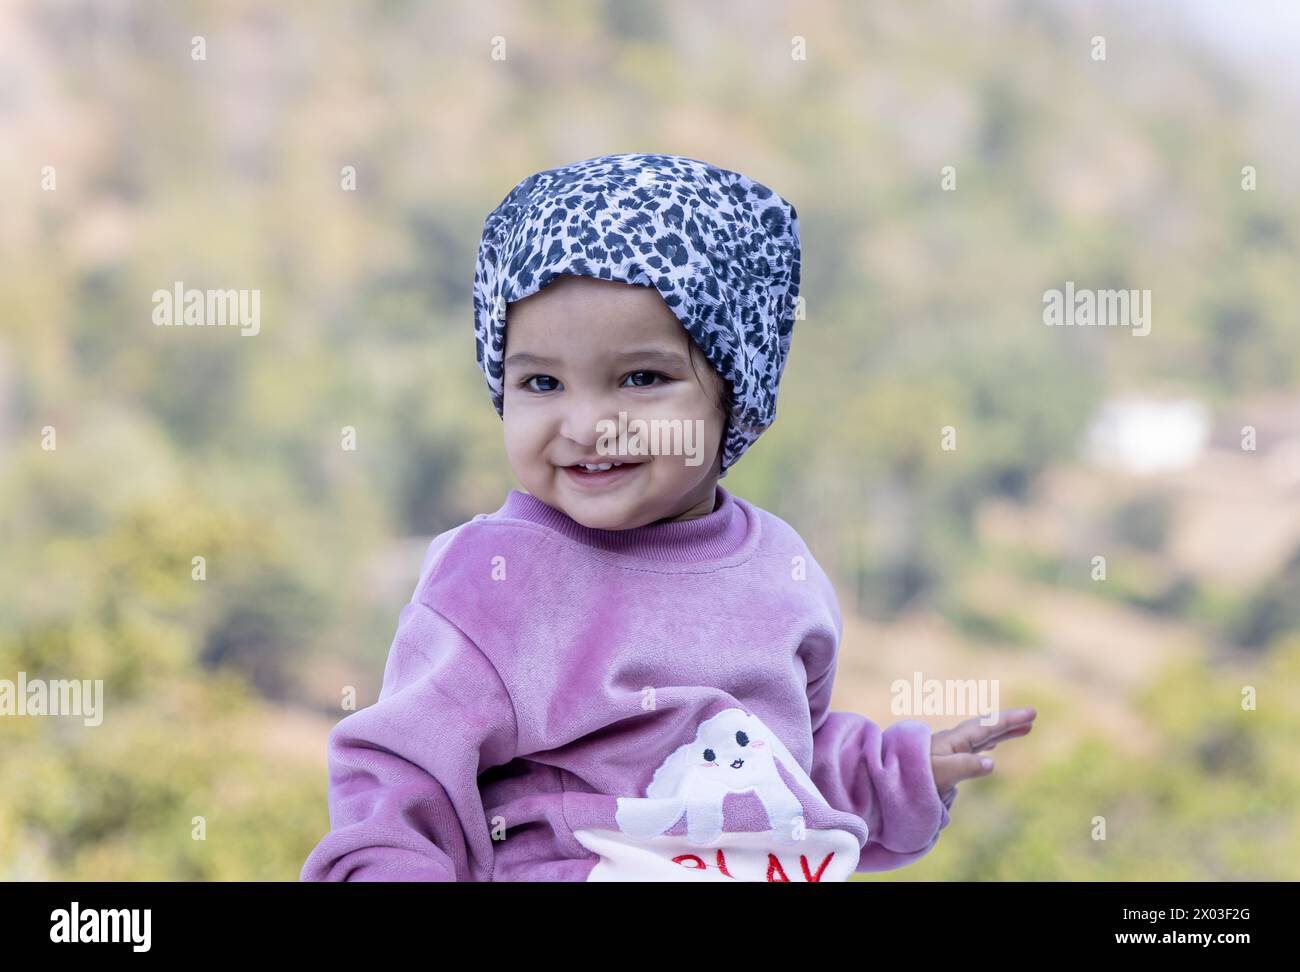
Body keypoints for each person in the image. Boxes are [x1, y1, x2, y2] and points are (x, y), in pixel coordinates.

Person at [300, 152, 1036, 882]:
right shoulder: (493, 583)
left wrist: (899, 774)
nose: (588, 425)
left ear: (735, 390)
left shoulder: (779, 570)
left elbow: (780, 774)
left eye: (642, 378)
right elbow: (400, 786)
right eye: (542, 381)